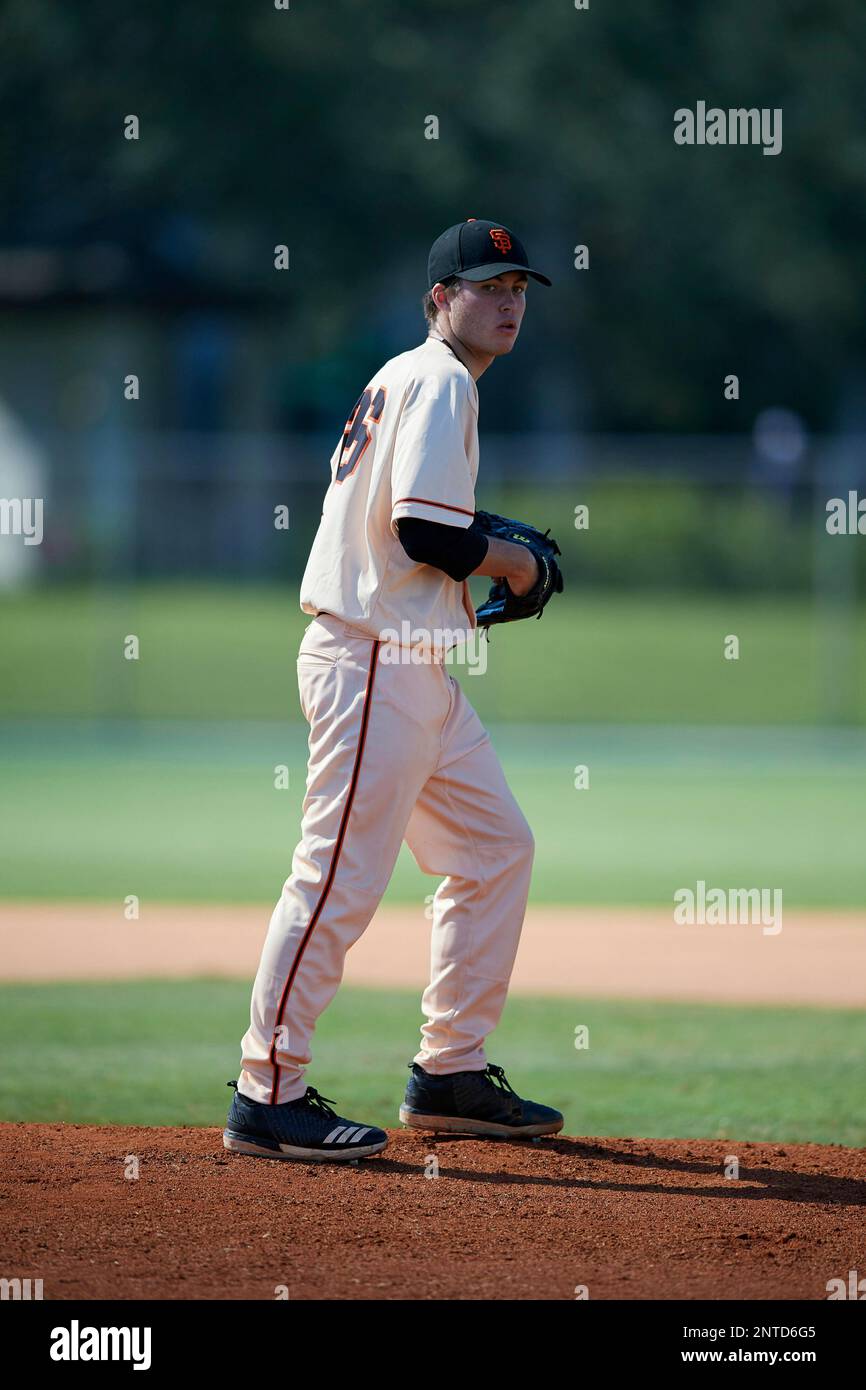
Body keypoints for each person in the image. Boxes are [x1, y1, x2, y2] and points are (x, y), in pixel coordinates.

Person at [224, 218, 564, 1162]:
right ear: (438, 300)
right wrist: (517, 565)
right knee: (337, 879)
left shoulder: (406, 376)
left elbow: (415, 515)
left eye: (518, 289)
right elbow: (422, 532)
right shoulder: (442, 377)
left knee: (497, 848)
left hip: (415, 670)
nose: (506, 302)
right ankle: (268, 1091)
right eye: (487, 286)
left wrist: (492, 544)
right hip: (373, 660)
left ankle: (451, 1071)